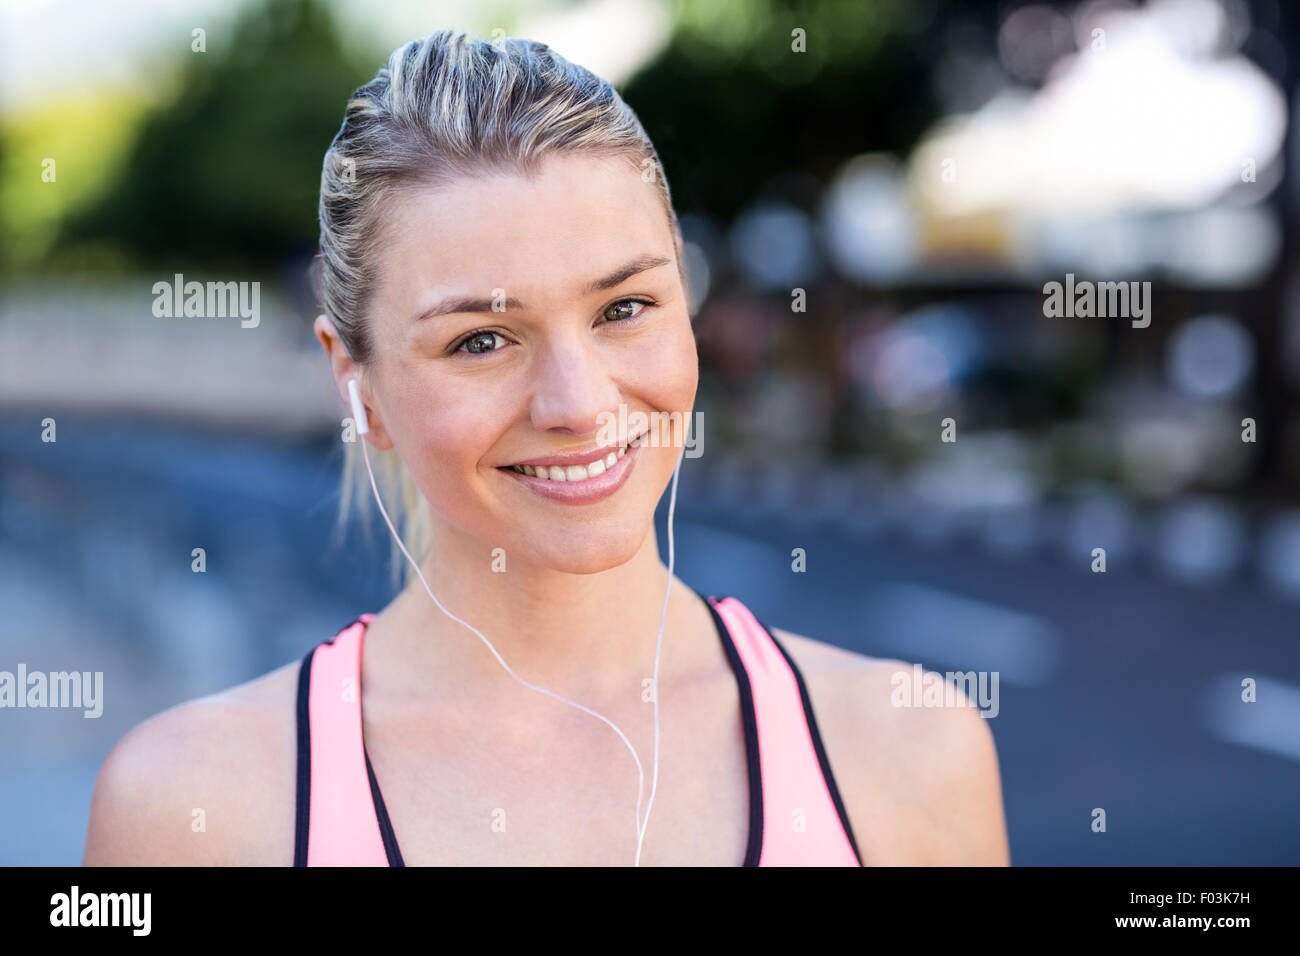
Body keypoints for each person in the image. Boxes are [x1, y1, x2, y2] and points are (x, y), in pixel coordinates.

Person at [84, 30, 1009, 866]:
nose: (577, 402)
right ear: (355, 385)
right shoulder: (190, 808)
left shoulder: (909, 750)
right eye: (481, 341)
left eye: (625, 309)